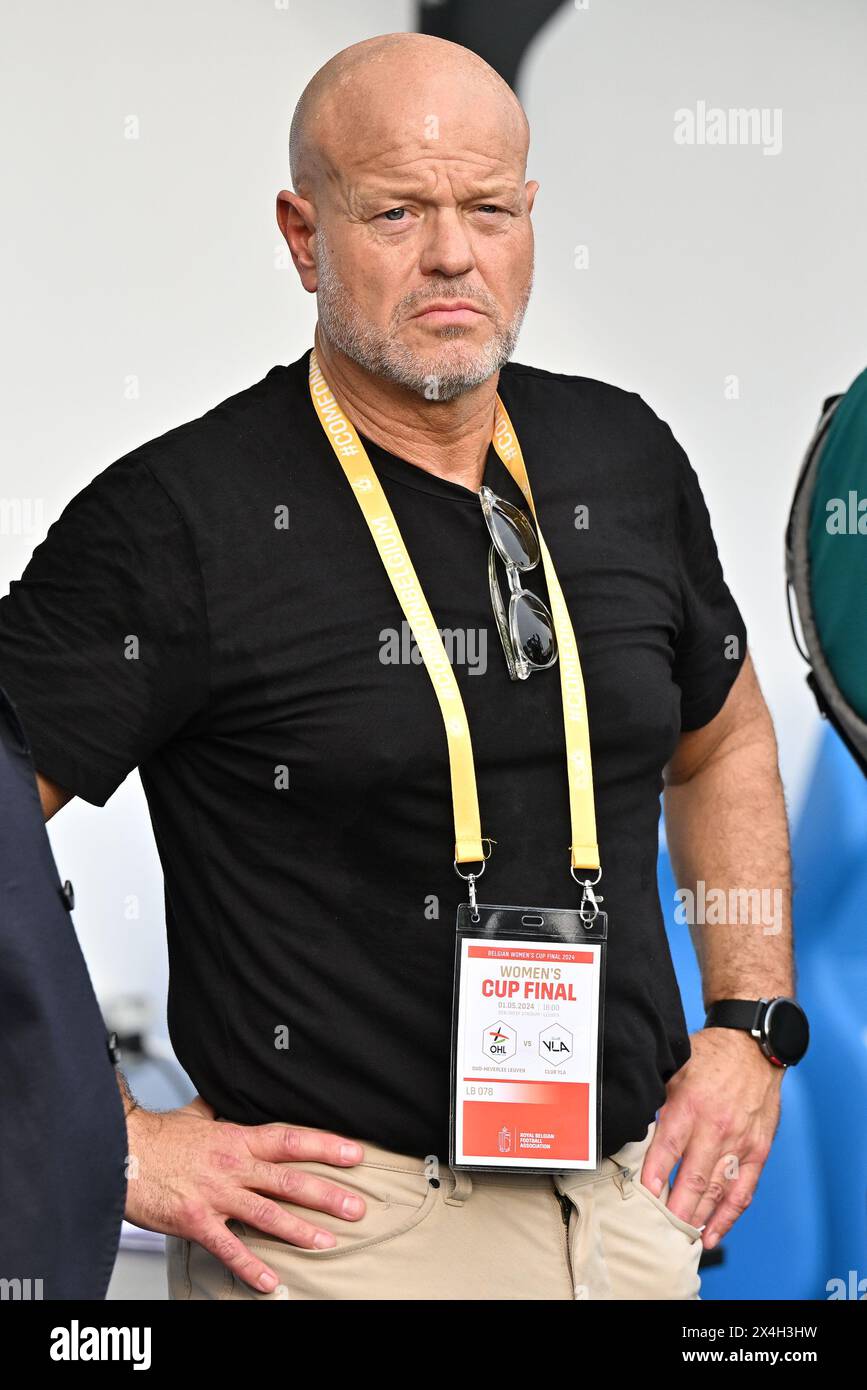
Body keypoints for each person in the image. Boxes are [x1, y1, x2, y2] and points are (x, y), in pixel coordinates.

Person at [0, 32, 799, 1301]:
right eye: (396, 211)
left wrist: (751, 1026)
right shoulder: (180, 522)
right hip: (349, 1241)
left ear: (530, 218)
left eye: (488, 209)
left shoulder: (622, 458)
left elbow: (724, 740)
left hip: (634, 1218)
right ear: (302, 232)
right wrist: (116, 1136)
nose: (451, 254)